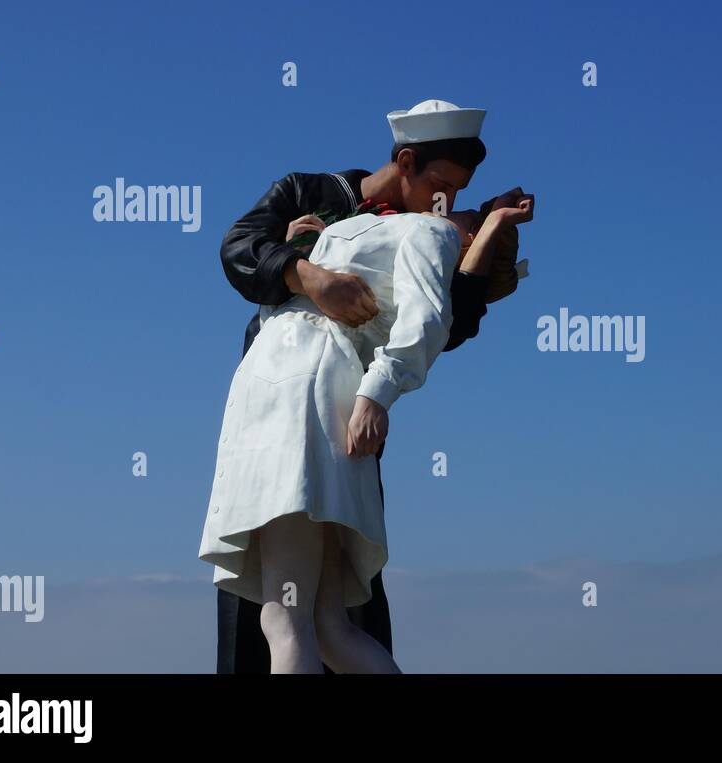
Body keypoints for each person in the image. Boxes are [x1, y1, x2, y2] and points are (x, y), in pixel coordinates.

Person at [213, 99, 526, 673]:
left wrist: (377, 390)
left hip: (300, 402)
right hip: (324, 401)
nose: (446, 206)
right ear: (404, 161)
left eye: (459, 201)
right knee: (325, 620)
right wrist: (307, 268)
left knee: (291, 617)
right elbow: (239, 248)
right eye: (440, 188)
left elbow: (438, 323)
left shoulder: (425, 231)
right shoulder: (311, 195)